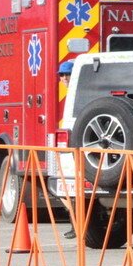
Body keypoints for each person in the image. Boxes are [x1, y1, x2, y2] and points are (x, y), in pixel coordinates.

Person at [58, 61, 78, 240]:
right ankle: (76, 224)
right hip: (69, 146)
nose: (64, 78)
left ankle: (77, 225)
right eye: (61, 75)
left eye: (68, 74)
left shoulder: (78, 93)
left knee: (68, 187)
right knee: (64, 188)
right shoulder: (67, 95)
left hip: (78, 147)